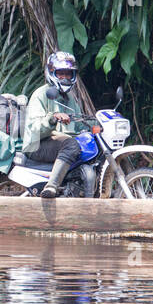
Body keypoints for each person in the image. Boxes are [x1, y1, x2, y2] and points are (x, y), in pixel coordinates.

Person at [20, 51, 97, 199]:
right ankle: (51, 186)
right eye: (61, 73)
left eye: (69, 74)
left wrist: (97, 126)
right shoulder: (41, 94)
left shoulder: (69, 98)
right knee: (71, 145)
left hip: (58, 144)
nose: (65, 77)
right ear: (51, 73)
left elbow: (79, 124)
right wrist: (53, 118)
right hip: (37, 145)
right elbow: (35, 128)